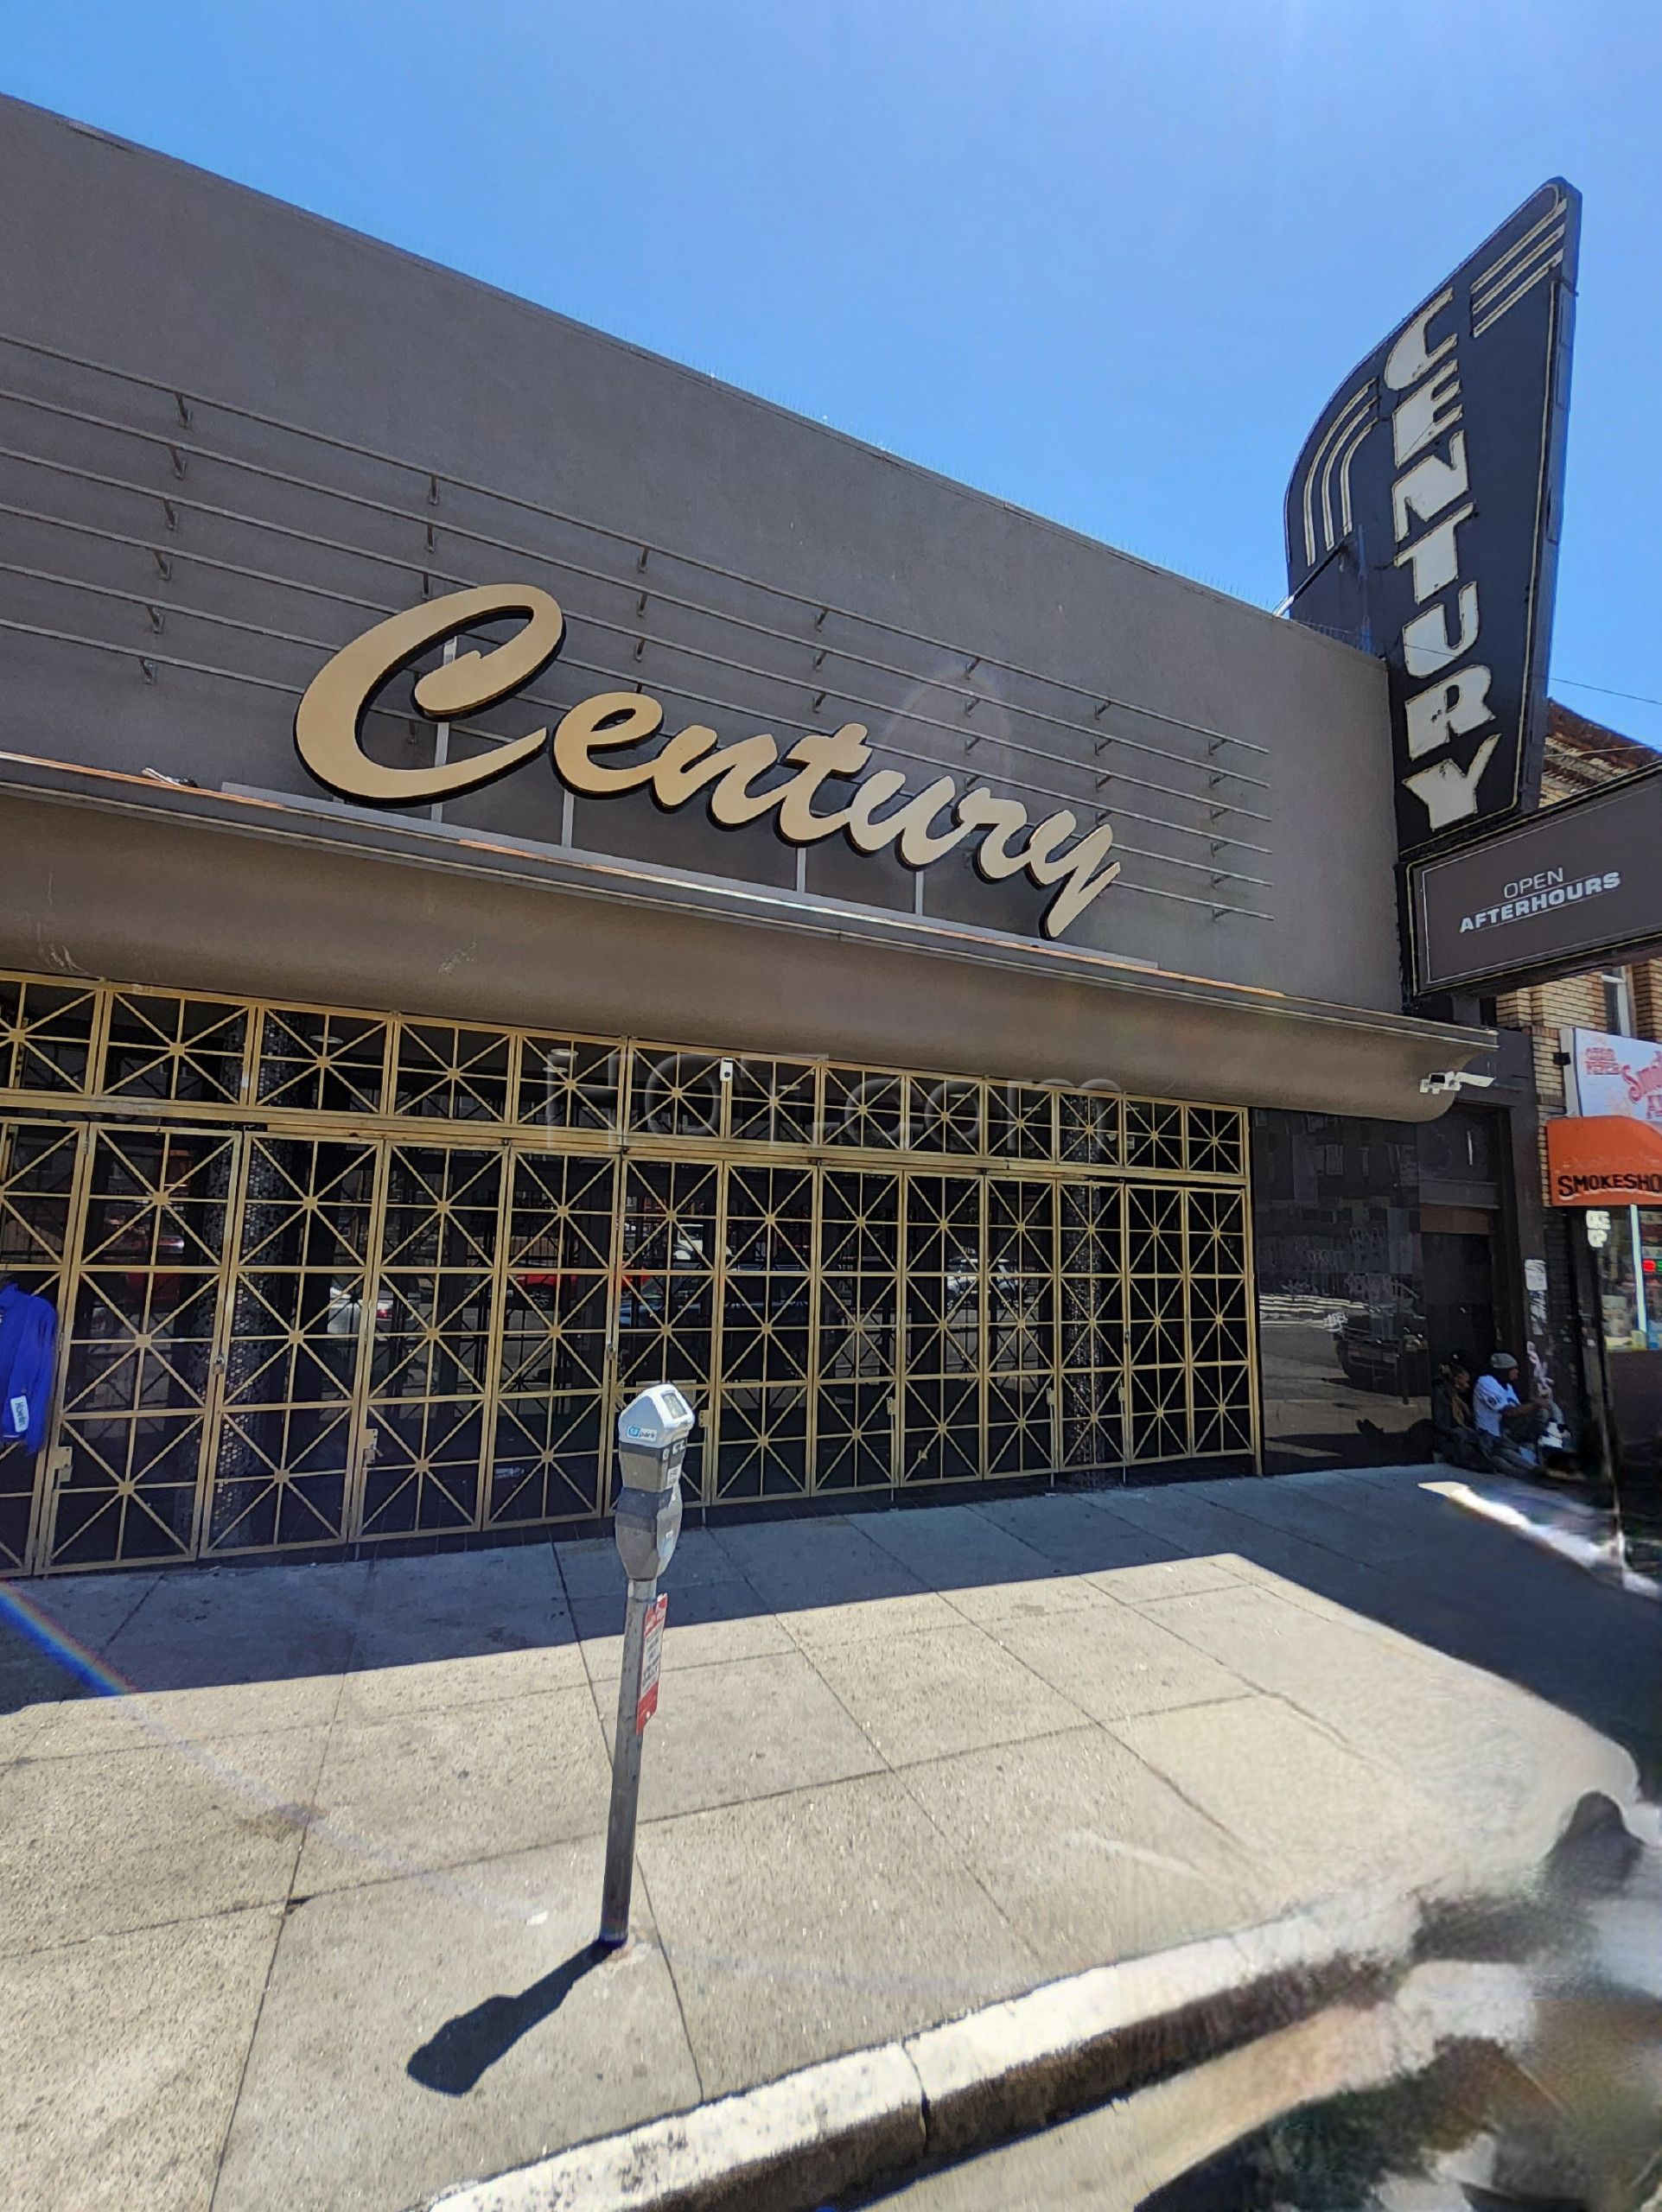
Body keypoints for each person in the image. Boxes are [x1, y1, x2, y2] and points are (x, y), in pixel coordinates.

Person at [1473, 1351, 1548, 1475]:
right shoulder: (1486, 1382)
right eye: (1514, 1369)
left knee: (1543, 1415)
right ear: (1504, 1370)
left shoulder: (1508, 1387)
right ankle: (1535, 1471)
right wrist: (1534, 1405)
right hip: (1491, 1435)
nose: (1517, 1372)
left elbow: (1518, 1410)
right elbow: (1509, 1412)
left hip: (1508, 1432)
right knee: (1505, 1459)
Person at [1431, 1356, 1485, 1471]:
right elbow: (1439, 1423)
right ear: (1457, 1379)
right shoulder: (1442, 1394)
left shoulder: (1456, 1397)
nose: (1468, 1385)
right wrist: (1458, 1431)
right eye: (1466, 1381)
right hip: (1448, 1439)